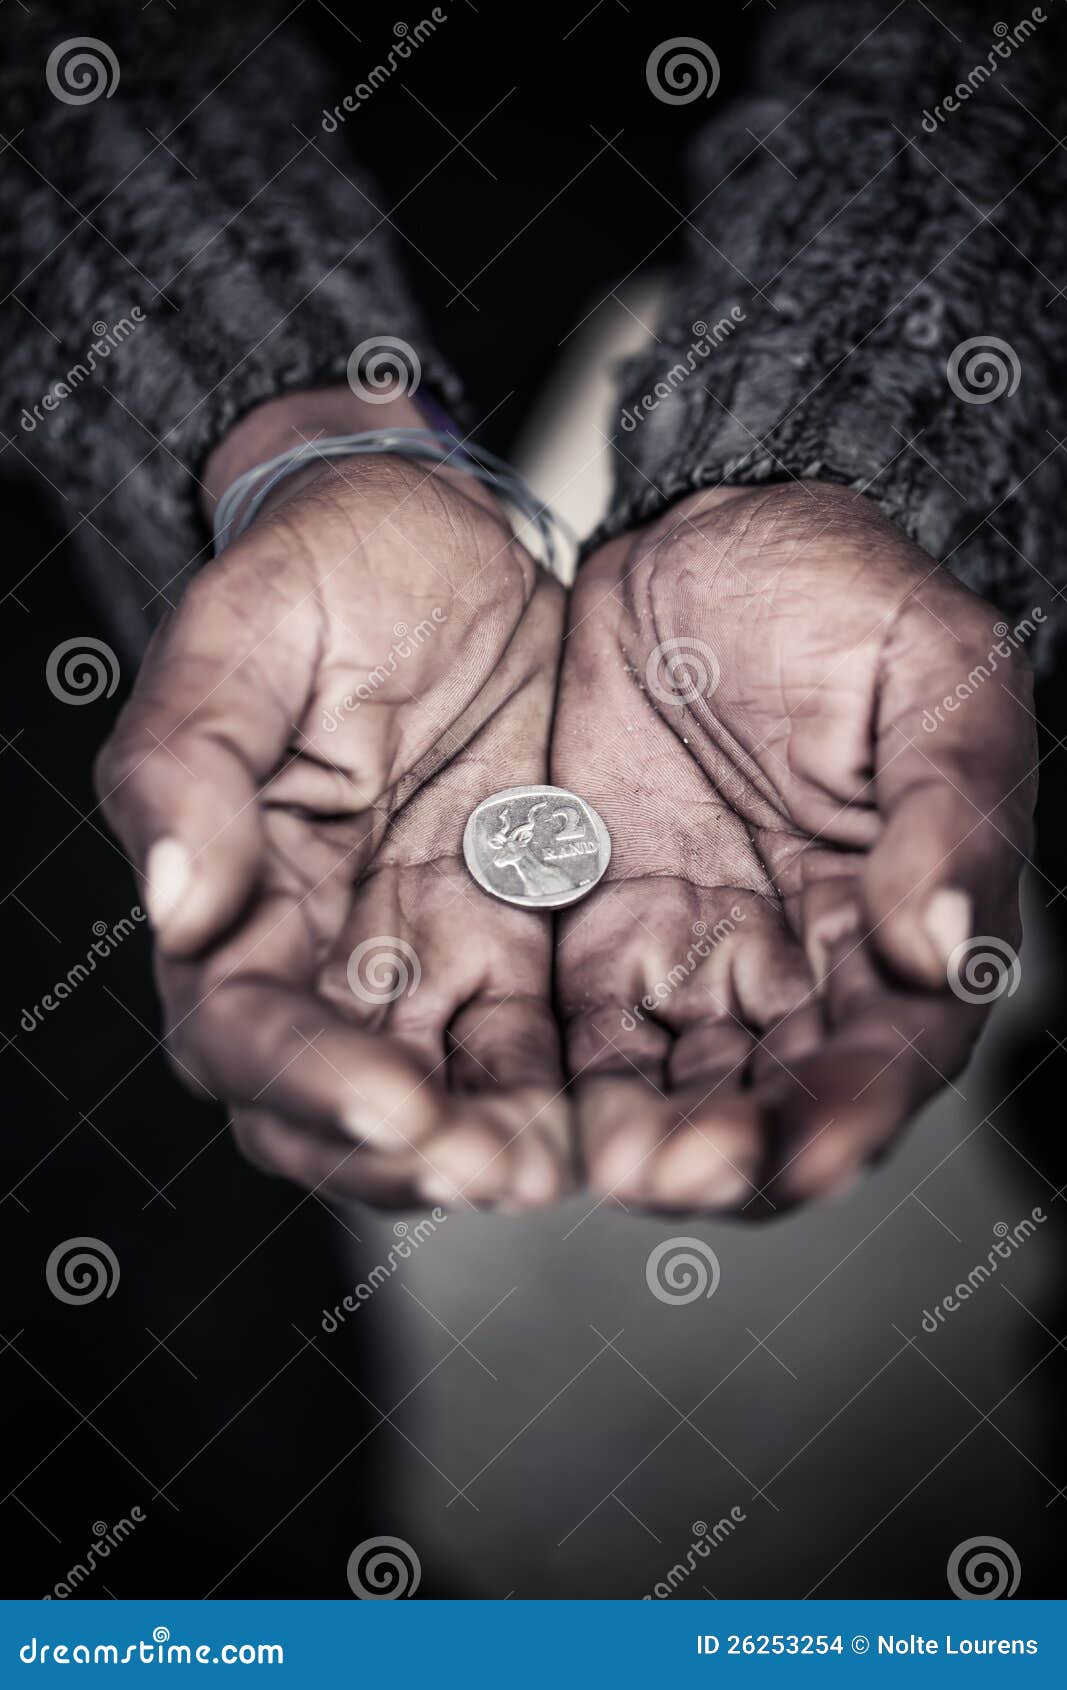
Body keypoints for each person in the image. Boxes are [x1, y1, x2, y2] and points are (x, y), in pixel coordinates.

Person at [3, 1, 1058, 1215]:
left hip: (787, 129)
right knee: (161, 1007)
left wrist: (862, 420)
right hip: (380, 130)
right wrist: (289, 429)